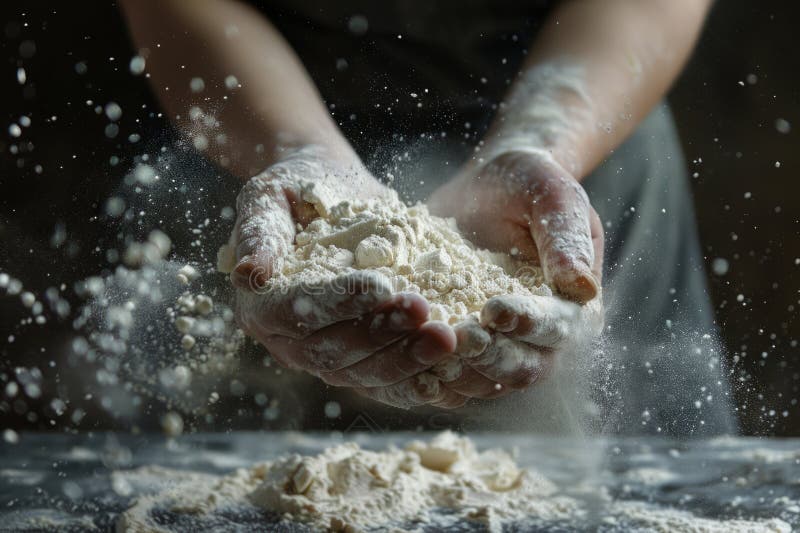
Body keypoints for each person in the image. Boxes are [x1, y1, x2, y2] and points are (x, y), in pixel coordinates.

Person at [120, 0, 736, 435]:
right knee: (210, 485)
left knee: (647, 486)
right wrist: (296, 151)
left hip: (574, 137)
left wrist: (539, 145)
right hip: (256, 126)